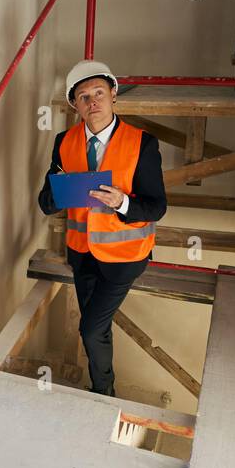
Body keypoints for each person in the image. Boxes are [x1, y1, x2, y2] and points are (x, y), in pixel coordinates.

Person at [37, 60, 167, 397]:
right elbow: (45, 203)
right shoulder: (65, 142)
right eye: (83, 97)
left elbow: (156, 207)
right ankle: (103, 387)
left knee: (91, 329)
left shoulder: (143, 144)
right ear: (75, 106)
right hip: (82, 255)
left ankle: (103, 392)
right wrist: (60, 193)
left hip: (125, 257)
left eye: (98, 93)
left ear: (113, 94)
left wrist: (122, 202)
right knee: (99, 329)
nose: (92, 101)